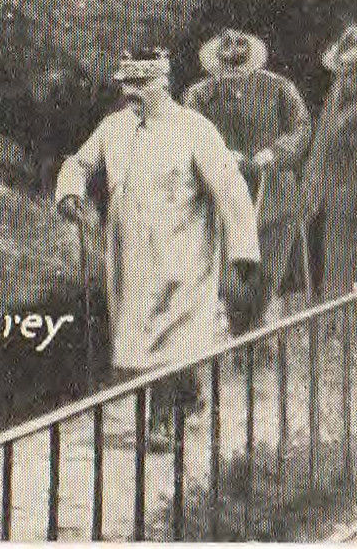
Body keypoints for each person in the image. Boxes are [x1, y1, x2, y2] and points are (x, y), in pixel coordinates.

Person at [56, 49, 260, 448]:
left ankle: (165, 417)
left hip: (183, 252)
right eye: (125, 89)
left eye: (138, 88)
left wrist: (242, 251)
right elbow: (80, 162)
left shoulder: (195, 130)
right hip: (129, 253)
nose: (129, 97)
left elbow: (230, 190)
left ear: (161, 84)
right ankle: (185, 399)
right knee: (136, 338)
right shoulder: (113, 128)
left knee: (174, 335)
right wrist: (70, 194)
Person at [183, 30, 311, 322]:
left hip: (275, 196)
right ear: (216, 64)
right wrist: (222, 154)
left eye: (239, 68)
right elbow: (189, 133)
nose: (233, 74)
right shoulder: (199, 95)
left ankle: (261, 334)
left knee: (268, 271)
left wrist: (276, 152)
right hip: (223, 196)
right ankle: (240, 332)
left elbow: (301, 127)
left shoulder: (280, 88)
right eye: (227, 68)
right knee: (230, 276)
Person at [300, 26, 357, 299]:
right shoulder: (338, 96)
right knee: (344, 274)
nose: (351, 78)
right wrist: (311, 189)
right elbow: (322, 147)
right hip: (342, 194)